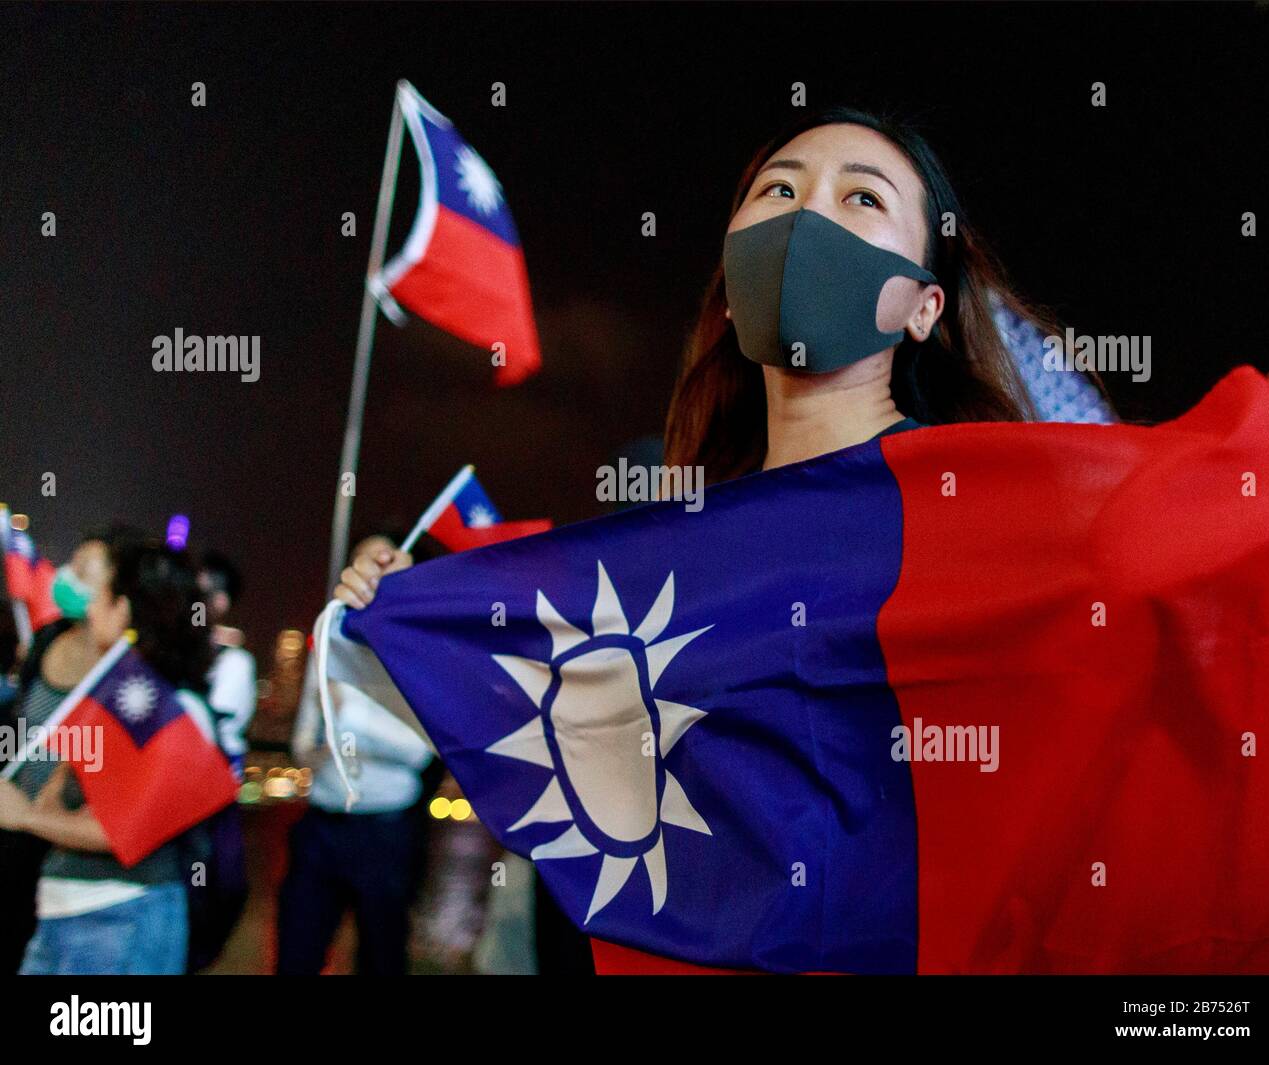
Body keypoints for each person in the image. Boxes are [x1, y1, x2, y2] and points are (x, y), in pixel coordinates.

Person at [332, 107, 1090, 971]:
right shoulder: (669, 559)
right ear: (732, 285)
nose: (807, 218)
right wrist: (400, 612)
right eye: (779, 189)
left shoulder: (988, 510)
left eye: (863, 199)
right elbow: (557, 715)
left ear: (922, 306)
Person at [0, 540, 218, 975]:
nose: (88, 607)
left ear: (126, 610)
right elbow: (66, 797)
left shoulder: (173, 709)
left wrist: (24, 817)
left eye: (101, 594)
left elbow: (130, 827)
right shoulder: (106, 694)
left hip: (122, 920)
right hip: (62, 914)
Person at [277, 534, 435, 975]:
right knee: (296, 952)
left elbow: (420, 752)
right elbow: (302, 747)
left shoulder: (417, 650)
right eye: (363, 561)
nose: (372, 571)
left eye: (385, 562)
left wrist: (350, 722)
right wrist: (327, 733)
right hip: (321, 823)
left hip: (387, 831)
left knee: (382, 958)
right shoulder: (329, 636)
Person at [0, 523, 143, 973]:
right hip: (11, 823)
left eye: (84, 571)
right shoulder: (45, 639)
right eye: (71, 565)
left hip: (66, 835)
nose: (67, 577)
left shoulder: (127, 670)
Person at [198, 550, 257, 770]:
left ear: (220, 602)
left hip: (214, 776)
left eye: (196, 596)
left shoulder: (235, 663)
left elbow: (210, 727)